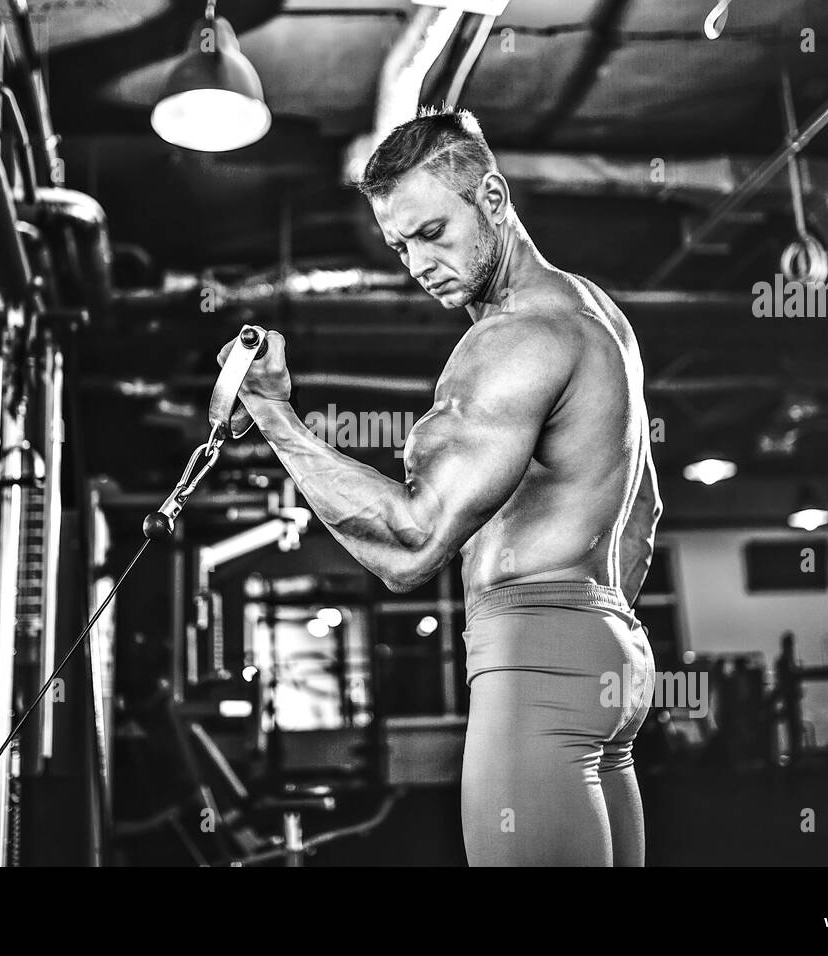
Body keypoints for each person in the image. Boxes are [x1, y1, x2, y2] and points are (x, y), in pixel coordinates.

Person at [218, 106, 662, 865]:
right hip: (611, 655)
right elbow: (645, 511)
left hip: (538, 661)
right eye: (398, 245)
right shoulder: (597, 314)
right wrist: (585, 628)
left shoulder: (512, 339)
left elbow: (411, 545)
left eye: (431, 233)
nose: (417, 264)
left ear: (491, 199)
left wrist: (274, 415)